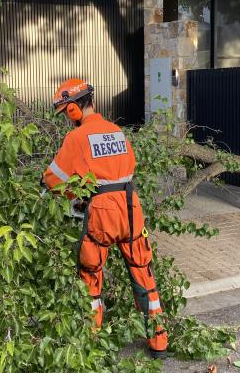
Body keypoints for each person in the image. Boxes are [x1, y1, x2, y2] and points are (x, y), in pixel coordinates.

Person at [42, 78, 167, 358]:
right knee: (143, 272)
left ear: (73, 109)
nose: (66, 119)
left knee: (90, 275)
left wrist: (71, 194)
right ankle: (159, 342)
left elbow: (54, 179)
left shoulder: (76, 137)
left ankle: (91, 344)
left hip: (102, 212)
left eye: (66, 113)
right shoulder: (116, 132)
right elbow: (127, 167)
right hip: (131, 206)